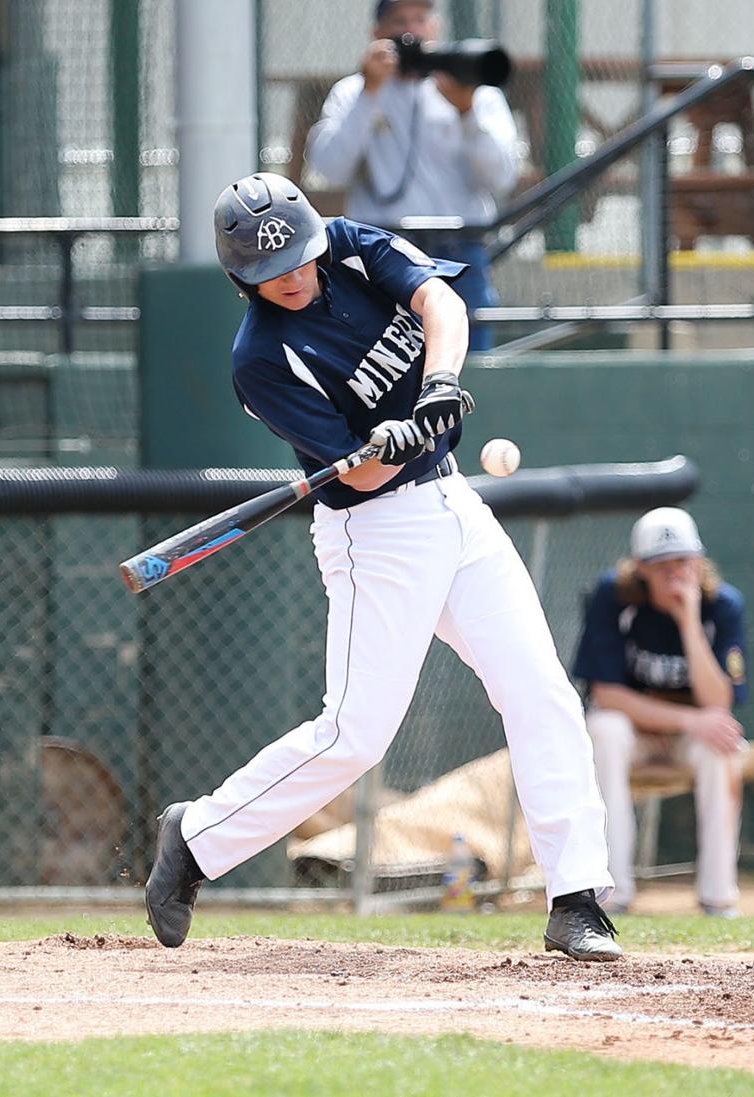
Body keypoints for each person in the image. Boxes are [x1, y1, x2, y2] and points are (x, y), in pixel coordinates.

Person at [142, 172, 620, 961]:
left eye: (298, 258)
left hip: (456, 508)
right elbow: (359, 476)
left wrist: (436, 386)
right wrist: (383, 444)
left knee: (540, 692)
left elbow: (442, 304)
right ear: (241, 281)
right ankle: (194, 838)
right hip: (377, 531)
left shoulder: (351, 249)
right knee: (354, 734)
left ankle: (575, 898)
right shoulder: (260, 359)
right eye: (272, 273)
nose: (294, 277)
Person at [306, 0, 519, 352]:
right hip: (380, 250)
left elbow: (502, 177)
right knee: (377, 367)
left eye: (420, 20)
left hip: (459, 249)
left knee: (467, 364)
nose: (411, 30)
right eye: (399, 21)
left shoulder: (474, 91)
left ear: (435, 28)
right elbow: (329, 168)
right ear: (376, 34)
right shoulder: (353, 91)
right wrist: (369, 95)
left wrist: (466, 112)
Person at [573, 508, 749, 917]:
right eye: (662, 565)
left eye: (684, 562)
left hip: (694, 736)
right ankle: (611, 890)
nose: (675, 574)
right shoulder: (613, 598)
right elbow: (608, 693)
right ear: (640, 569)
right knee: (603, 728)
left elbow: (718, 702)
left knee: (725, 745)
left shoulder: (722, 606)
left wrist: (688, 621)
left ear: (699, 561)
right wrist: (688, 720)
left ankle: (718, 896)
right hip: (637, 730)